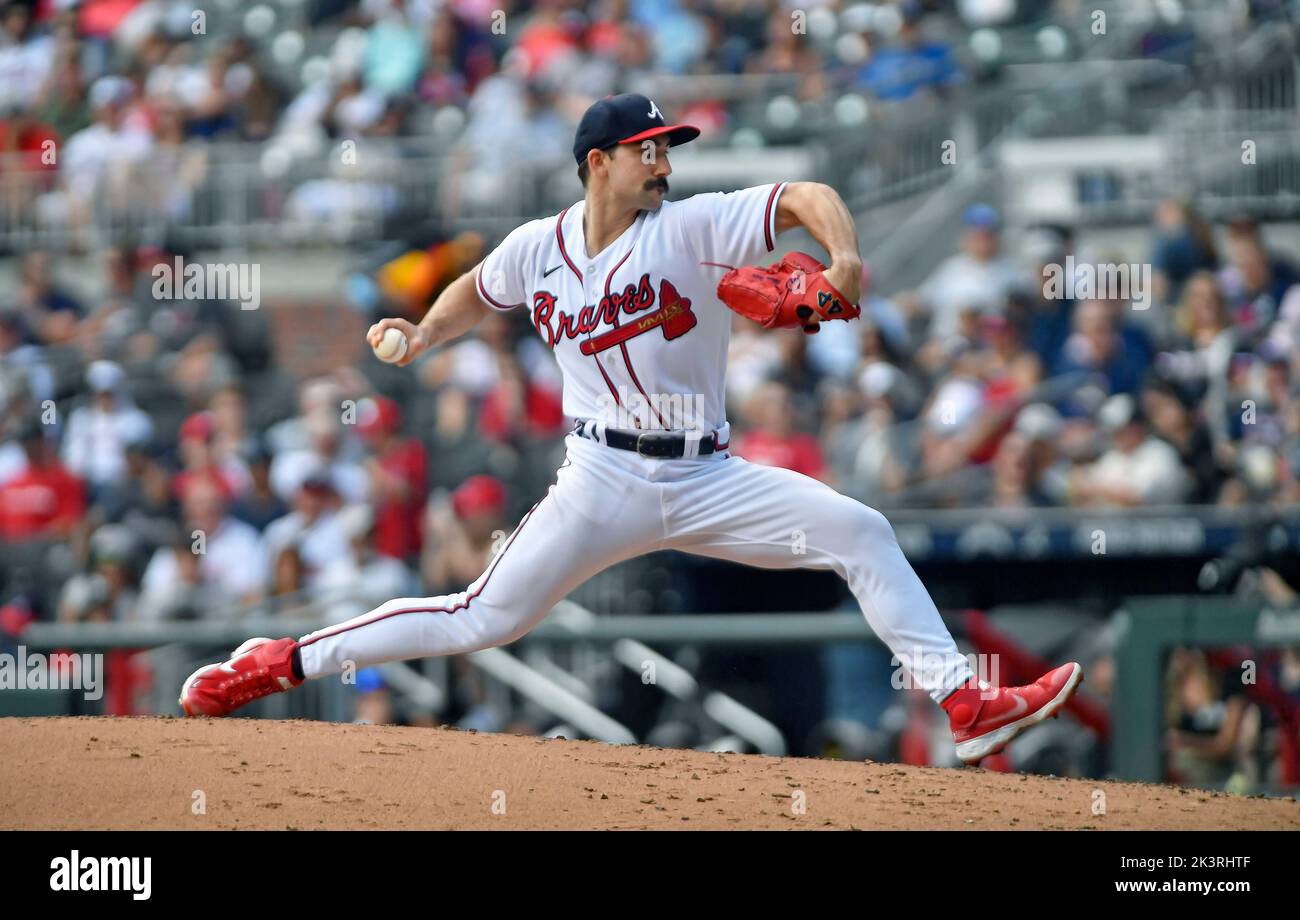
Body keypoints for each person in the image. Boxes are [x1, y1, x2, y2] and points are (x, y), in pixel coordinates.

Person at [180, 93, 1083, 766]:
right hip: (601, 480)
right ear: (598, 162)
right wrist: (422, 332)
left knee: (861, 532)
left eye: (667, 148)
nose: (664, 162)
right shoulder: (539, 245)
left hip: (709, 476)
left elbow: (808, 193)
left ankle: (965, 706)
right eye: (647, 148)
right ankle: (281, 660)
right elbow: (476, 290)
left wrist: (842, 256)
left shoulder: (691, 226)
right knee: (478, 619)